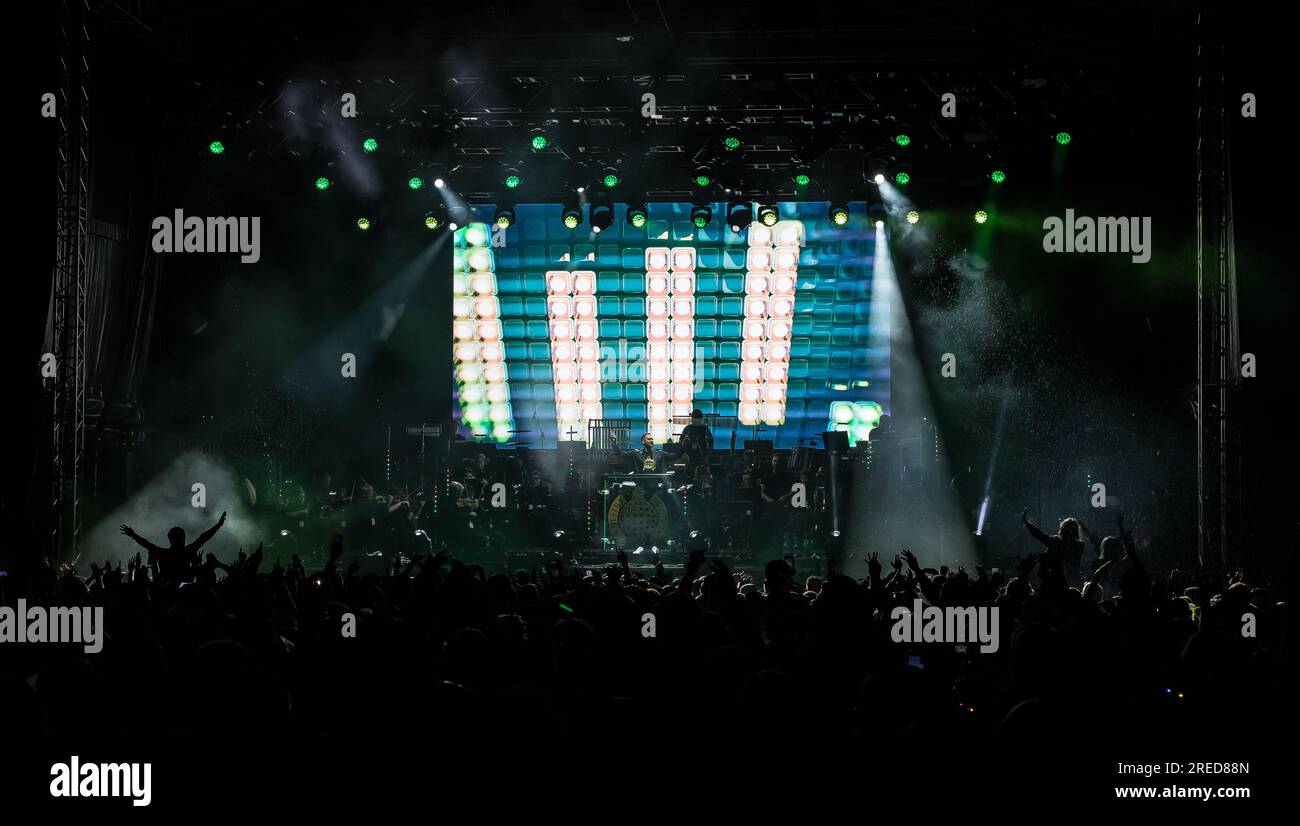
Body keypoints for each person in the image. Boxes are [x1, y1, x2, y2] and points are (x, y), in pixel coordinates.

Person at [119, 511, 228, 582]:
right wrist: (218, 525)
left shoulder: (164, 554)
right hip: (185, 596)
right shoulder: (187, 551)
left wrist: (133, 535)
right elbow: (204, 537)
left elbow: (147, 544)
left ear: (170, 539)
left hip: (166, 595)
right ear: (183, 539)